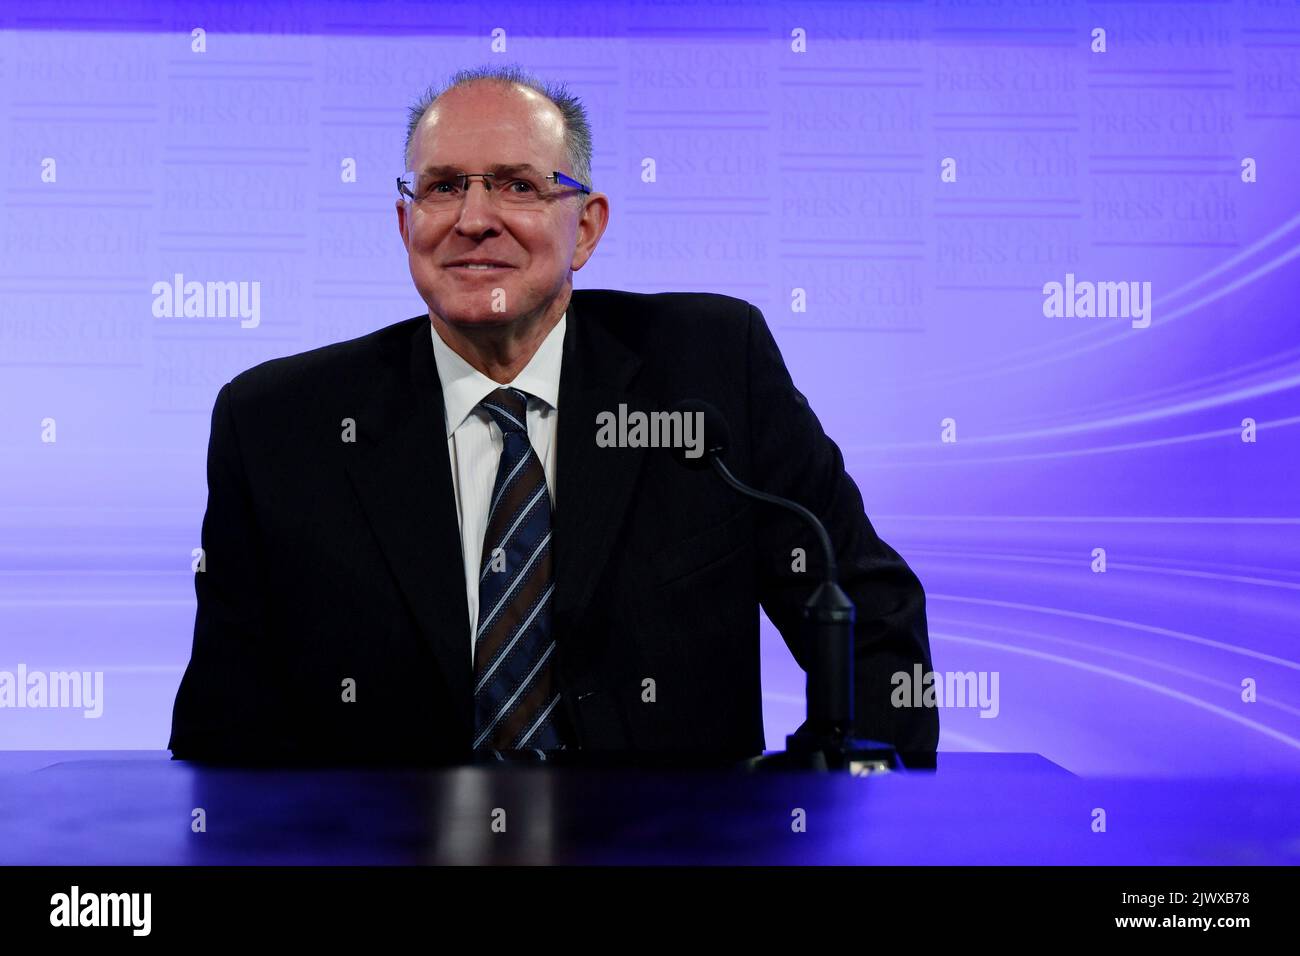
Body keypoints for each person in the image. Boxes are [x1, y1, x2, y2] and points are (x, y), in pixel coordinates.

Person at [167, 64, 938, 768]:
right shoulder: (277, 425)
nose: (473, 218)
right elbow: (222, 735)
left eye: (516, 186)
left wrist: (833, 818)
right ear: (406, 228)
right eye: (441, 187)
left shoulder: (709, 369)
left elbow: (871, 615)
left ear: (588, 228)